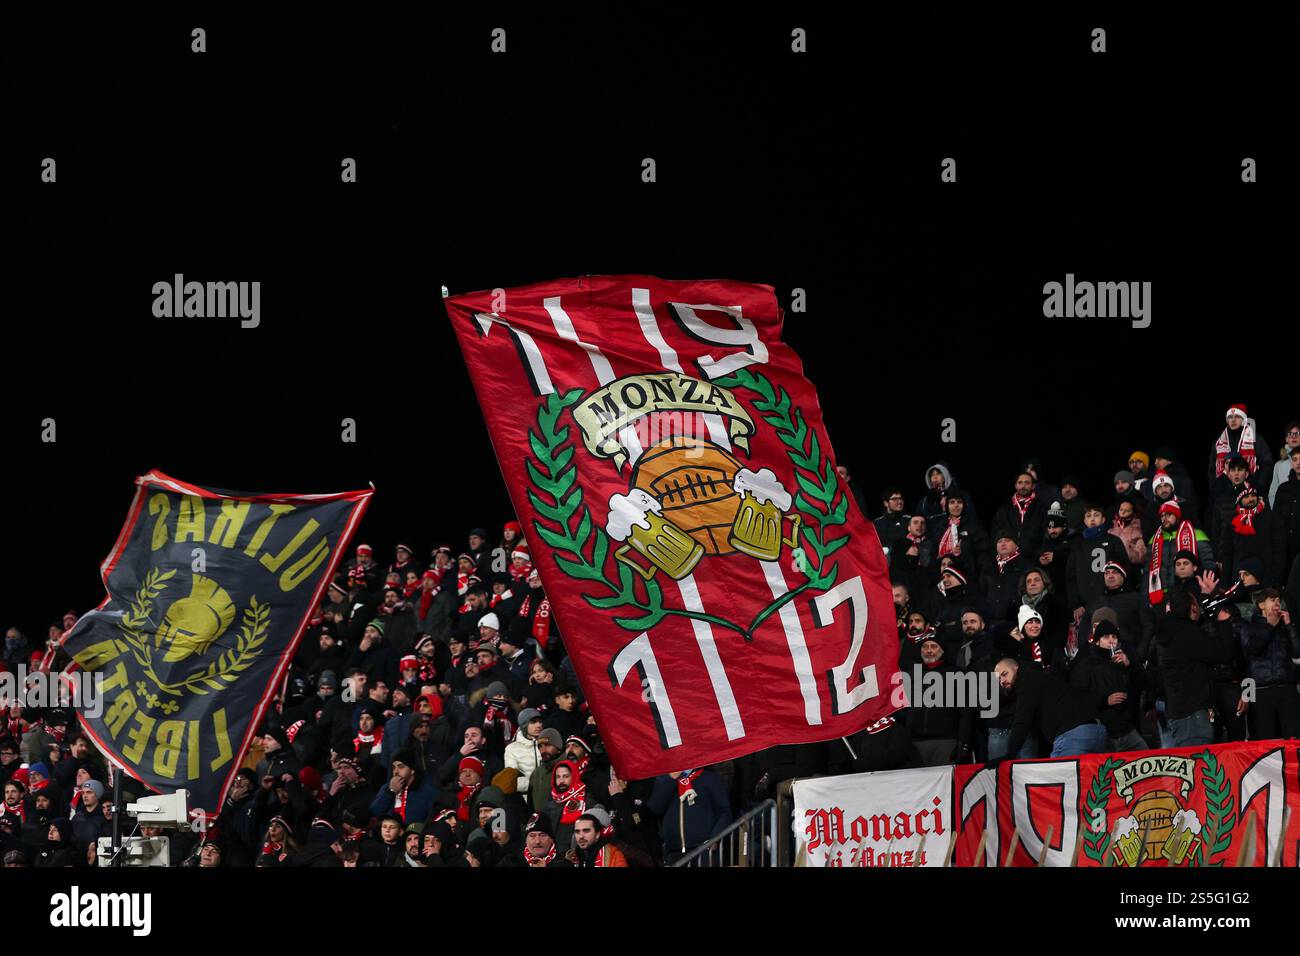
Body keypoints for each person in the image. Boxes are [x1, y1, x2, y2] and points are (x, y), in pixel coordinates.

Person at [1153, 590, 1238, 746]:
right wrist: (1224, 623)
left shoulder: (1165, 633)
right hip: (1193, 717)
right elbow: (1224, 654)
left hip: (1175, 713)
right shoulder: (1188, 633)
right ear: (1192, 608)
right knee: (1198, 767)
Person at [992, 658, 1108, 759]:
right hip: (1096, 731)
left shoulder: (1027, 681)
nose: (1002, 681)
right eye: (998, 679)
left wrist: (1009, 755)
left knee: (1062, 781)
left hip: (1073, 735)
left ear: (1016, 668)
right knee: (1094, 783)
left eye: (1004, 674)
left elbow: (1022, 721)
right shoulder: (1041, 677)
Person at [1070, 621, 1149, 752]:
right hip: (1104, 731)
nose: (1111, 641)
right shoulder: (1086, 666)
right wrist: (1105, 700)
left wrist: (1130, 665)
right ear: (1097, 642)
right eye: (1106, 637)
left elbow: (1146, 683)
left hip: (1127, 729)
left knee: (1146, 761)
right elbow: (1078, 697)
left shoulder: (1124, 661)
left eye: (1114, 637)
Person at [903, 636, 973, 766]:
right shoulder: (910, 675)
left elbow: (966, 712)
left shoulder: (957, 674)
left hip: (946, 741)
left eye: (933, 646)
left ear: (942, 650)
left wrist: (963, 742)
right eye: (925, 647)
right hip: (914, 743)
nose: (929, 650)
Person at [1240, 589, 1300, 739]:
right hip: (1261, 691)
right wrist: (1270, 626)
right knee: (1264, 740)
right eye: (1272, 600)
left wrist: (1289, 626)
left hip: (1287, 689)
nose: (1277, 603)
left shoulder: (1286, 627)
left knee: (1293, 739)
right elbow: (1252, 650)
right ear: (1261, 604)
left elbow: (1298, 653)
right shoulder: (1249, 626)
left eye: (1279, 600)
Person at [646, 767, 733, 865]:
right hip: (674, 849)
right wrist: (670, 778)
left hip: (704, 847)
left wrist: (715, 837)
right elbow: (655, 808)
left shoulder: (708, 777)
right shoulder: (664, 779)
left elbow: (724, 811)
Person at [1218, 484, 1286, 587]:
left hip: (1266, 578)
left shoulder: (1270, 517)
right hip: (1239, 578)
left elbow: (1279, 549)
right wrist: (1225, 584)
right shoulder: (1232, 522)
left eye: (1253, 496)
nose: (1251, 499)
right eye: (1246, 497)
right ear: (1239, 500)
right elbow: (1227, 554)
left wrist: (1275, 578)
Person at [1210, 403, 1273, 501]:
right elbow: (1212, 470)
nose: (1233, 420)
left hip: (1250, 492)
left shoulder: (1255, 439)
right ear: (1227, 420)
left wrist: (1258, 486)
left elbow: (1267, 464)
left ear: (1244, 419)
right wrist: (1216, 489)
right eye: (1230, 417)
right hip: (1224, 492)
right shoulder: (1218, 443)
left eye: (1237, 416)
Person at [991, 471, 1049, 560]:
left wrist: (1038, 554)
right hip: (1009, 558)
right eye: (1020, 482)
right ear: (1015, 485)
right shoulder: (1004, 510)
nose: (1023, 486)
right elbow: (996, 534)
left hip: (1033, 558)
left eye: (1027, 483)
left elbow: (1045, 534)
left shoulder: (1042, 508)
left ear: (1033, 486)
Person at [874, 487, 910, 556]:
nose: (899, 502)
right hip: (882, 561)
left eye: (900, 498)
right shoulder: (876, 523)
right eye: (894, 499)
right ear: (886, 503)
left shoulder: (909, 520)